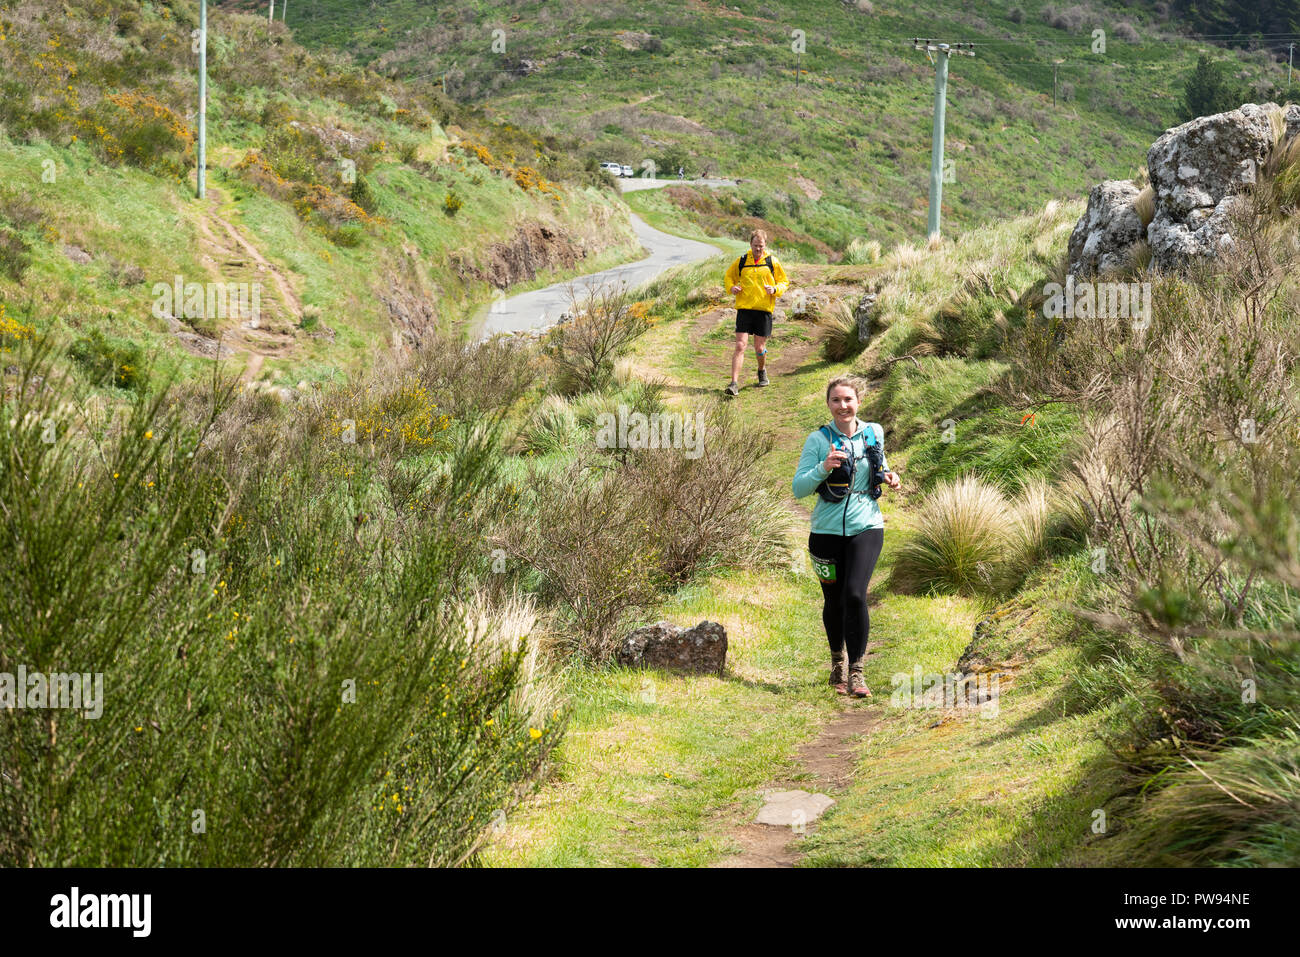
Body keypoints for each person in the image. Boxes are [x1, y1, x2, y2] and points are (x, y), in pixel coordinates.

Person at [791, 377, 900, 697]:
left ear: (858, 402)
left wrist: (890, 477)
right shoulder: (817, 440)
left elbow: (880, 468)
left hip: (867, 525)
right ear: (828, 404)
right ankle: (837, 664)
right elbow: (799, 489)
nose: (843, 406)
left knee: (855, 595)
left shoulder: (873, 432)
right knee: (834, 601)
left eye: (848, 399)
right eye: (836, 400)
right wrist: (824, 467)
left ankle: (857, 673)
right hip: (824, 533)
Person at [723, 229, 789, 396]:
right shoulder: (742, 261)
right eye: (755, 245)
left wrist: (774, 289)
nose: (758, 249)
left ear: (765, 245)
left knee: (759, 347)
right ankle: (733, 384)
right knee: (740, 345)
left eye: (761, 246)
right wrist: (731, 287)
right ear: (750, 244)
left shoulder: (771, 262)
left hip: (763, 310)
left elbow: (784, 281)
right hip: (744, 309)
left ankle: (761, 370)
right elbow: (728, 277)